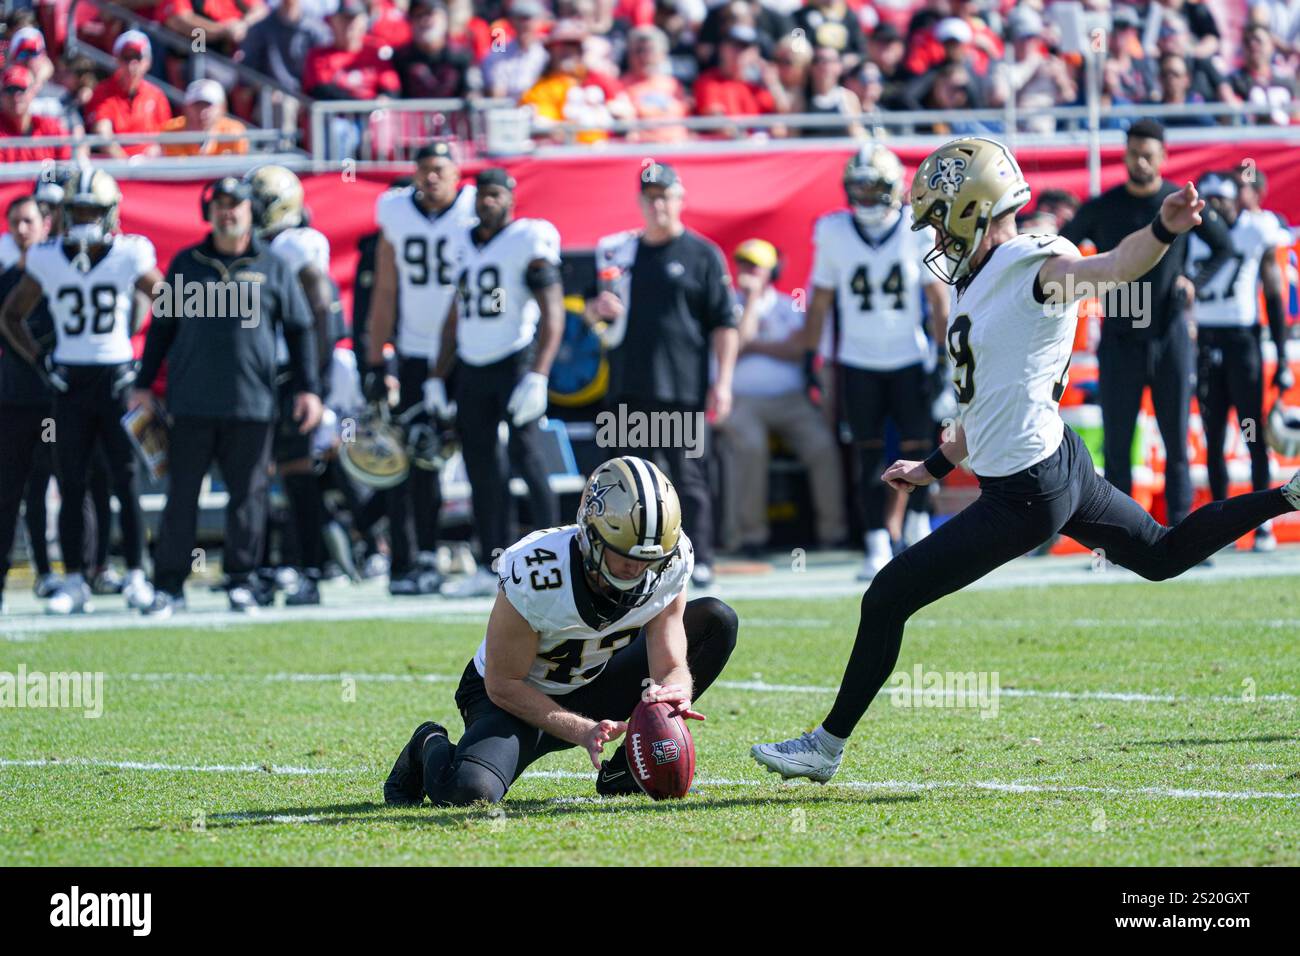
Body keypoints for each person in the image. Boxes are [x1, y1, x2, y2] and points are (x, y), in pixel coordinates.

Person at [752, 136, 1300, 783]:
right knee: (1162, 554)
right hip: (1055, 457)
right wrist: (930, 468)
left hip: (1026, 493)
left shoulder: (1034, 262)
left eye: (939, 219)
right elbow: (984, 404)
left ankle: (827, 746)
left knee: (887, 595)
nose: (937, 237)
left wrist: (1162, 229)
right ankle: (1290, 496)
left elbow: (1116, 267)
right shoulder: (979, 279)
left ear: (971, 209)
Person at [382, 456, 738, 806]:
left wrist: (676, 691)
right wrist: (582, 731)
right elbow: (503, 684)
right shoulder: (538, 572)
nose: (637, 569)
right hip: (516, 700)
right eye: (625, 555)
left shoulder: (670, 559)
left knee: (715, 620)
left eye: (649, 559)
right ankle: (427, 743)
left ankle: (627, 770)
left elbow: (671, 662)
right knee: (468, 790)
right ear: (590, 536)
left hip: (596, 679)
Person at [130, 177, 322, 617]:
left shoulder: (272, 265)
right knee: (182, 495)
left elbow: (300, 328)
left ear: (252, 211)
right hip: (191, 404)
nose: (227, 213)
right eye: (219, 205)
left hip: (253, 404)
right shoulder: (185, 264)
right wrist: (143, 384)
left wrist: (309, 389)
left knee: (248, 496)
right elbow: (161, 329)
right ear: (208, 211)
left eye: (236, 205)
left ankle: (241, 580)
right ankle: (169, 585)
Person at [0, 169, 160, 615]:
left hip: (115, 379)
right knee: (71, 483)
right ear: (66, 214)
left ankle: (135, 574)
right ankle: (74, 579)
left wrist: (140, 363)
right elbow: (10, 316)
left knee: (126, 482)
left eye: (93, 210)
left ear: (110, 213)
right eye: (79, 211)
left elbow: (167, 302)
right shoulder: (47, 258)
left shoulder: (130, 254)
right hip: (70, 381)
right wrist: (41, 360)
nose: (86, 220)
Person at [1061, 119, 1234, 527]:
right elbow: (1063, 248)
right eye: (1134, 152)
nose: (1140, 161)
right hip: (1120, 336)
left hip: (1170, 334)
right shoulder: (1104, 206)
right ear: (1124, 154)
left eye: (1149, 154)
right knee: (1118, 444)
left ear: (1163, 157)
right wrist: (1088, 283)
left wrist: (1195, 281)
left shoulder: (1176, 204)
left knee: (1176, 440)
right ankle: (1124, 536)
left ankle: (1181, 529)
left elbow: (1224, 246)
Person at [804, 144, 950, 579]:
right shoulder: (833, 231)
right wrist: (812, 356)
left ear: (894, 189)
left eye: (874, 188)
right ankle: (876, 542)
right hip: (858, 361)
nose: (866, 197)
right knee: (867, 457)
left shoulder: (916, 228)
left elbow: (938, 298)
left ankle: (918, 529)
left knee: (919, 450)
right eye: (859, 188)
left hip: (910, 357)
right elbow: (820, 301)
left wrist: (942, 355)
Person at [593, 163, 740, 586]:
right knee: (620, 478)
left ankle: (699, 558)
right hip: (625, 385)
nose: (657, 204)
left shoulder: (702, 253)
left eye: (664, 195)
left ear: (680, 198)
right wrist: (596, 312)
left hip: (681, 387)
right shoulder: (620, 252)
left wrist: (723, 382)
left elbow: (724, 323)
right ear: (640, 202)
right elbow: (592, 314)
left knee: (688, 478)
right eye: (650, 196)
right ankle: (616, 560)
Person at [432, 168, 564, 598]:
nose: (487, 202)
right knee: (481, 466)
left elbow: (553, 309)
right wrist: (438, 375)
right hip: (473, 364)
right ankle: (494, 563)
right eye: (482, 195)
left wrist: (539, 372)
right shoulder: (463, 243)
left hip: (515, 357)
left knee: (527, 455)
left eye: (495, 195)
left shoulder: (528, 238)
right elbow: (455, 314)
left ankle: (558, 562)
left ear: (509, 198)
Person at [365, 143, 478, 596]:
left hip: (469, 352)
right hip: (414, 351)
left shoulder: (474, 208)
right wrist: (376, 357)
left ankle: (496, 557)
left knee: (483, 455)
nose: (431, 178)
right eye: (424, 170)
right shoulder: (395, 211)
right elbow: (386, 289)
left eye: (440, 170)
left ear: (457, 175)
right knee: (412, 459)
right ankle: (415, 558)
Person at [245, 165, 343, 606]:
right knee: (256, 475)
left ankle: (307, 569)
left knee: (293, 474)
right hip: (261, 373)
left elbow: (322, 309)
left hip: (288, 375)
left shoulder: (295, 244)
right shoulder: (263, 246)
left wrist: (313, 383)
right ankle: (269, 568)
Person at [717, 239, 846, 555]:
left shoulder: (790, 305)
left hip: (790, 400)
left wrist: (755, 347)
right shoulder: (728, 304)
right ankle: (751, 537)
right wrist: (749, 305)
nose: (747, 272)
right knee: (750, 446)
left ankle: (834, 532)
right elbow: (738, 339)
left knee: (822, 447)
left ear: (770, 271)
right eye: (743, 264)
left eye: (755, 266)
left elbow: (801, 348)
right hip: (742, 400)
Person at [1188, 173, 1291, 551]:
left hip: (1241, 344)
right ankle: (1221, 527)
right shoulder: (1190, 235)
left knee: (1251, 433)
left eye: (1223, 200)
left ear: (1237, 202)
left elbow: (1275, 292)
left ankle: (1262, 525)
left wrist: (1280, 356)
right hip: (1204, 345)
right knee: (1213, 437)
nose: (1216, 207)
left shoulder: (1255, 230)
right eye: (1209, 199)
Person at [0, 195, 58, 614]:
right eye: (15, 222)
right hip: (13, 399)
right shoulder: (5, 281)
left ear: (46, 225)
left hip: (54, 402)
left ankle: (51, 572)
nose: (23, 230)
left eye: (29, 221)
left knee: (48, 487)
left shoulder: (61, 278)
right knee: (8, 490)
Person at [84, 31, 172, 159]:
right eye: (126, 58)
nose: (132, 65)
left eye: (137, 57)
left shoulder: (156, 95)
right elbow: (103, 134)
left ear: (147, 62)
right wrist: (128, 165)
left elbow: (165, 138)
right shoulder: (102, 92)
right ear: (117, 60)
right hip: (116, 168)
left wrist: (152, 156)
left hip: (151, 165)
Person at [0, 65, 72, 164]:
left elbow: (65, 167)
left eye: (22, 89)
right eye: (10, 90)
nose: (16, 96)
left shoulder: (51, 129)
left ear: (32, 92)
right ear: (2, 95)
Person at [160, 80, 249, 156]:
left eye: (208, 105)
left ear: (222, 108)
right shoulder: (170, 132)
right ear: (186, 107)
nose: (202, 112)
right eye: (197, 105)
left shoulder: (234, 132)